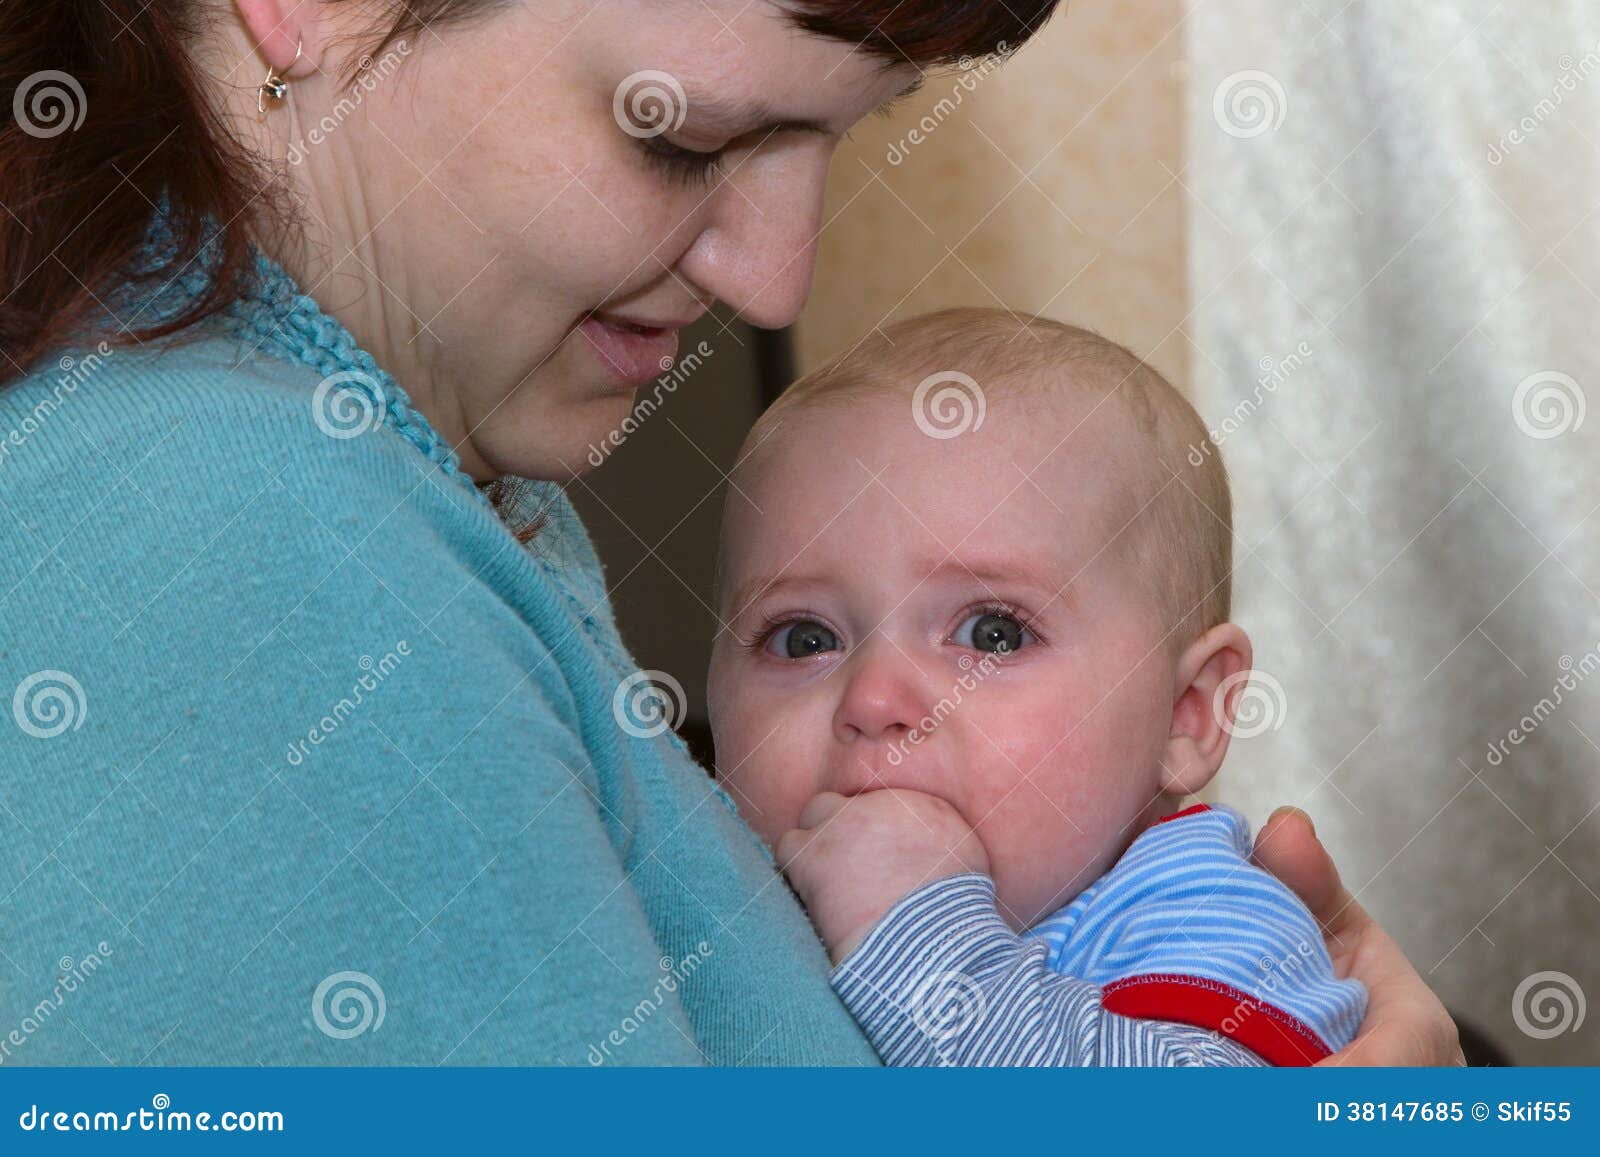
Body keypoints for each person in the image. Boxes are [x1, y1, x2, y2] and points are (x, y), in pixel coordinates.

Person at [0, 0, 1460, 1066]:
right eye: (683, 139)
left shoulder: (425, 463)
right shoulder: (244, 533)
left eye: (839, 143)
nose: (776, 282)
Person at [709, 308, 1366, 1065]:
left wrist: (920, 937)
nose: (873, 700)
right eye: (804, 639)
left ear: (1185, 715)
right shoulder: (713, 917)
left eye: (994, 634)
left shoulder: (1198, 919)